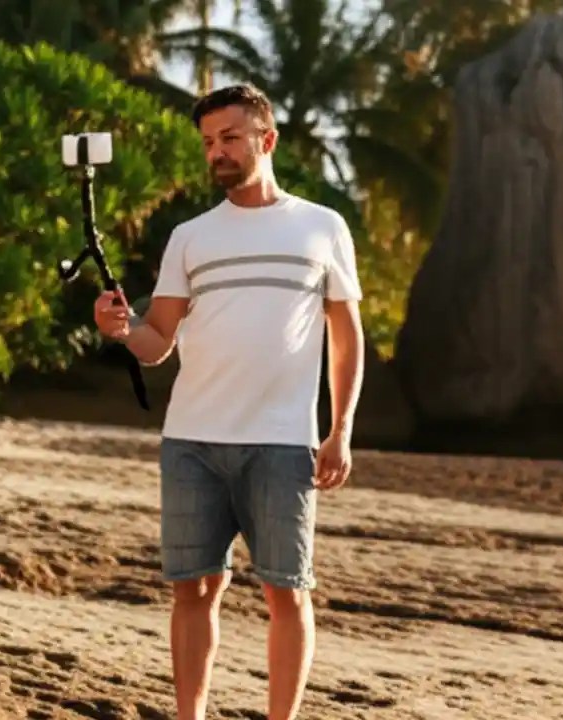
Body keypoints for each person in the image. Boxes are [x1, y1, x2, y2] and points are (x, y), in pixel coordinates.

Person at [92, 83, 365, 720]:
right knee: (193, 589)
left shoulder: (322, 227)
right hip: (191, 441)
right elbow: (157, 341)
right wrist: (120, 328)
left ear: (266, 141)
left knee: (287, 593)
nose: (217, 152)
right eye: (209, 142)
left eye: (230, 138)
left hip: (282, 444)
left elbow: (345, 339)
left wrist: (341, 428)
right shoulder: (190, 236)